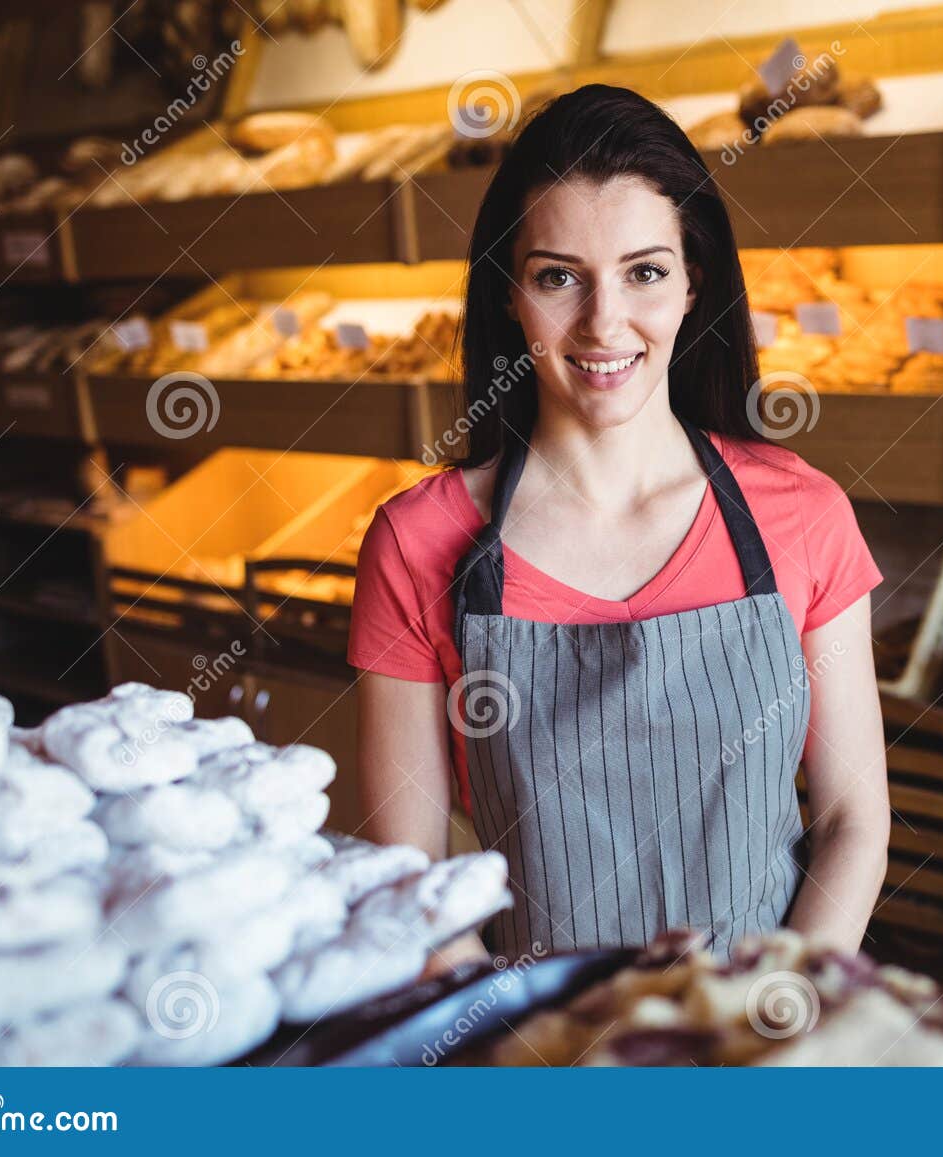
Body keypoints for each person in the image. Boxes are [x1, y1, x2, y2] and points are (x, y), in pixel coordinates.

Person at [349, 84, 888, 973]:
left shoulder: (803, 514)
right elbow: (412, 879)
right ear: (511, 295)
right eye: (559, 276)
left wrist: (773, 1024)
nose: (605, 323)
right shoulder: (418, 543)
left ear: (691, 286)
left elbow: (851, 821)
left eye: (644, 271)